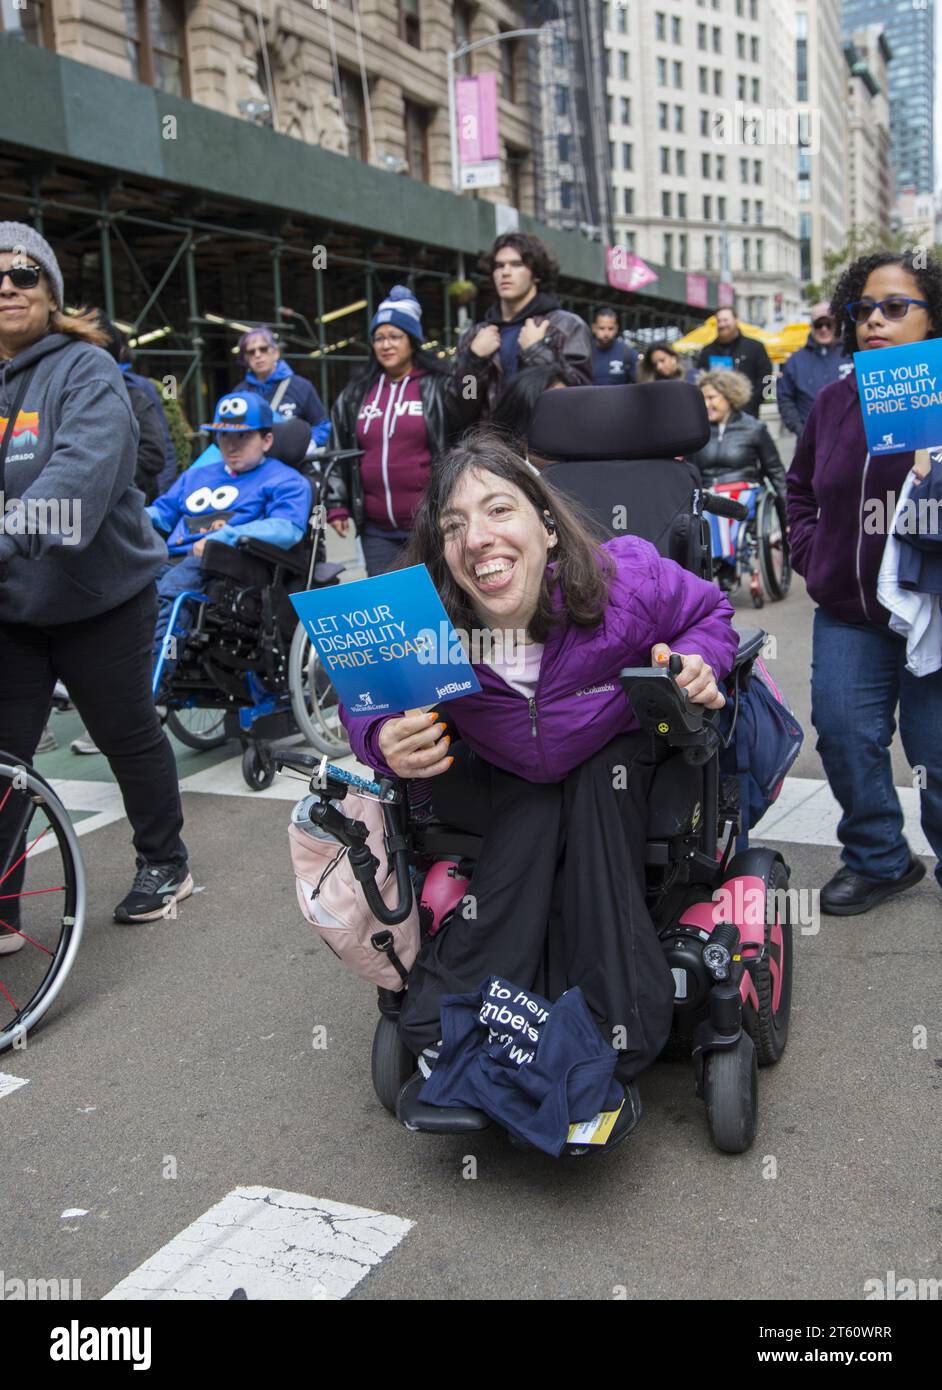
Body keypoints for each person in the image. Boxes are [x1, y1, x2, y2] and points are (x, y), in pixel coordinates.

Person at [341, 430, 738, 1121]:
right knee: (529, 810)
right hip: (508, 772)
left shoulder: (628, 582)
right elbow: (365, 704)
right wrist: (380, 739)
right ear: (442, 553)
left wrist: (701, 662)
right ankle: (454, 1019)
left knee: (593, 787)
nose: (477, 539)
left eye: (499, 510)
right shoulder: (426, 624)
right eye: (454, 525)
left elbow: (711, 612)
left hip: (616, 759)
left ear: (547, 529)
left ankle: (616, 1024)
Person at [0, 221, 191, 931]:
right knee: (5, 760)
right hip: (15, 604)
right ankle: (3, 906)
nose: (7, 287)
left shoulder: (87, 370)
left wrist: (10, 532)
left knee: (125, 733)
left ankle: (165, 861)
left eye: (23, 274)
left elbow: (81, 475)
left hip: (100, 596)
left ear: (50, 291)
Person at [787, 250, 942, 914]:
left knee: (936, 754)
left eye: (895, 307)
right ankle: (879, 858)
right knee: (845, 735)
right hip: (850, 611)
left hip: (933, 612)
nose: (874, 321)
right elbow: (799, 494)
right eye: (863, 309)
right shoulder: (832, 401)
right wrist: (814, 555)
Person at [148, 391, 312, 690]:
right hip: (171, 559)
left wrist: (223, 537)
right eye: (223, 437)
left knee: (172, 590)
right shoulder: (196, 475)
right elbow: (161, 512)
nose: (231, 445)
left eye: (243, 437)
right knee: (121, 587)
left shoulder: (287, 480)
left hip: (228, 566)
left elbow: (288, 529)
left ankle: (152, 686)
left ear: (267, 440)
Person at [326, 285, 454, 576]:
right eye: (379, 338)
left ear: (412, 341)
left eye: (395, 336)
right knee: (390, 608)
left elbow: (460, 439)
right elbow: (337, 450)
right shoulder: (356, 394)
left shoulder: (438, 386)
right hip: (376, 532)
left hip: (430, 524)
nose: (386, 345)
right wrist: (335, 503)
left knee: (436, 605)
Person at [446, 232, 593, 431]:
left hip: (545, 450)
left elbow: (579, 401)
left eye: (516, 264)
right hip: (492, 454)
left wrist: (536, 352)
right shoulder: (475, 335)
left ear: (537, 274)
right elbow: (463, 407)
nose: (505, 272)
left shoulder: (566, 326)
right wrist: (473, 363)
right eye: (499, 266)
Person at [690, 369, 787, 504]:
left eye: (711, 398)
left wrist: (788, 519)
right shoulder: (696, 431)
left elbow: (776, 473)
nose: (706, 404)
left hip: (743, 499)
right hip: (706, 499)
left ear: (729, 396)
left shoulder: (753, 428)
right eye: (702, 399)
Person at [234, 325, 331, 445]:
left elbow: (322, 425)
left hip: (293, 461)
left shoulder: (301, 386)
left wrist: (311, 443)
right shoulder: (239, 393)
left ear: (275, 353)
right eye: (251, 351)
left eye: (263, 349)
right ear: (246, 358)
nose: (257, 355)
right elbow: (229, 432)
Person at [776, 302, 853, 438]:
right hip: (811, 441)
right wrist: (800, 429)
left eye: (828, 324)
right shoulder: (796, 361)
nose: (824, 329)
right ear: (812, 327)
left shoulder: (851, 355)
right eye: (819, 325)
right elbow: (784, 398)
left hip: (850, 438)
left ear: (836, 325)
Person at [489, 362, 578, 459]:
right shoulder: (491, 470)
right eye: (551, 412)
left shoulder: (587, 464)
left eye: (567, 409)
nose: (563, 420)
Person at [697, 306, 773, 417]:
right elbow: (699, 381)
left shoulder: (756, 347)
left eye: (726, 320)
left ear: (736, 320)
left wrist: (754, 403)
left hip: (749, 415)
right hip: (714, 416)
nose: (722, 324)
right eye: (719, 321)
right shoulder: (707, 351)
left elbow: (769, 380)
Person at [590, 306, 637, 385]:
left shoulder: (628, 353)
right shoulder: (585, 352)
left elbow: (639, 385)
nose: (606, 333)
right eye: (602, 328)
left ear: (616, 328)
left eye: (610, 328)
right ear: (594, 328)